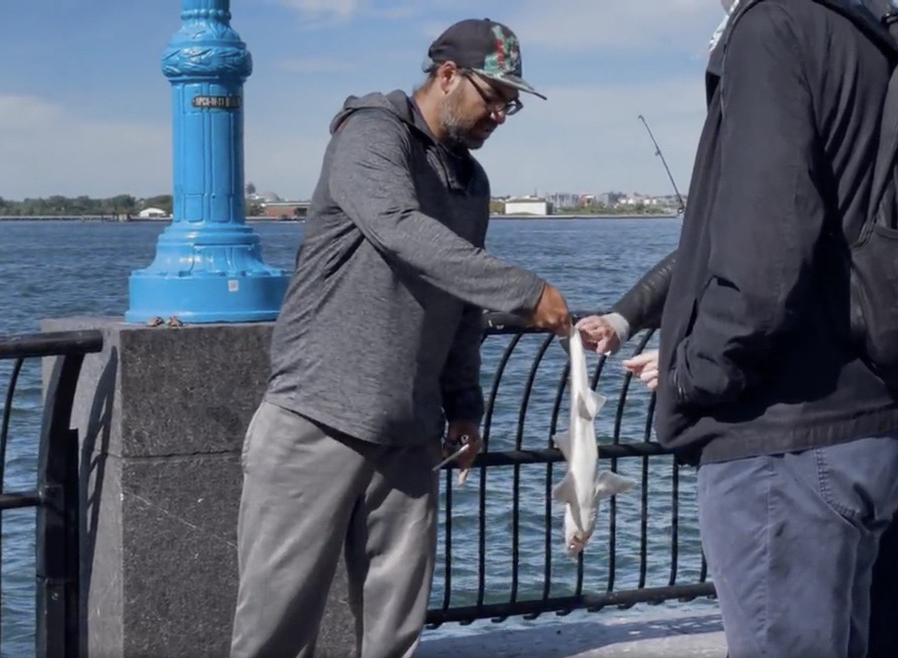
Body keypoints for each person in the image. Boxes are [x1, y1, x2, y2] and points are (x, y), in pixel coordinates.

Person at [229, 18, 571, 658]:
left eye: (511, 103)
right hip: (318, 419)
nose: (500, 113)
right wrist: (526, 294)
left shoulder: (472, 182)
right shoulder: (370, 134)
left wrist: (464, 406)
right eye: (493, 96)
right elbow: (399, 228)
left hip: (411, 433)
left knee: (394, 637)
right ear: (447, 76)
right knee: (274, 632)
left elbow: (462, 301)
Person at [578, 1, 898, 657]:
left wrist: (696, 368)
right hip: (867, 426)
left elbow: (765, 249)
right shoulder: (870, 37)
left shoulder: (774, 25)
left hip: (784, 442)